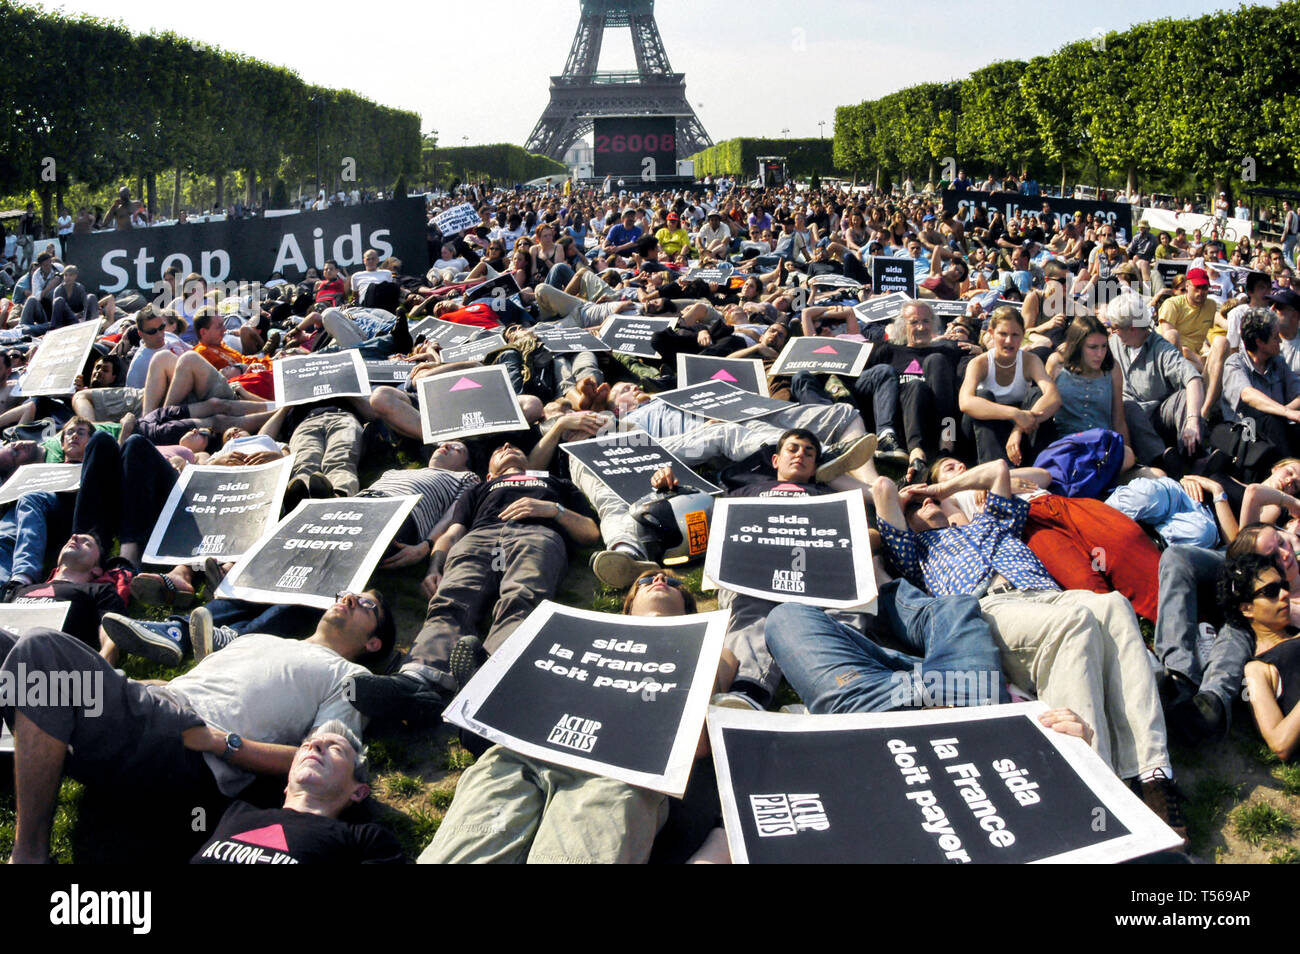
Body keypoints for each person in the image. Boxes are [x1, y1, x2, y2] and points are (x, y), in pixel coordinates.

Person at [1, 589, 395, 863]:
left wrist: (225, 743)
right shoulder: (255, 640)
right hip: (150, 709)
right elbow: (180, 687)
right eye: (348, 593)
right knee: (13, 649)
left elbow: (320, 757)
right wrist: (113, 681)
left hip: (185, 743)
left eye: (365, 605)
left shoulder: (350, 676)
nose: (347, 600)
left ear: (373, 642)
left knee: (40, 649)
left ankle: (30, 854)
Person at [419, 571, 701, 864]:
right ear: (628, 605)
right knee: (464, 850)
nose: (659, 579)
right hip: (519, 754)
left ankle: (475, 727)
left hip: (618, 770)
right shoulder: (574, 634)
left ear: (689, 606)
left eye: (673, 583)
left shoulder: (711, 651)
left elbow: (701, 745)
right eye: (644, 581)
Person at [350, 441, 600, 725]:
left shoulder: (557, 482)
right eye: (497, 450)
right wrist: (434, 566)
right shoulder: (477, 489)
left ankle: (496, 679)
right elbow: (453, 532)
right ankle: (416, 680)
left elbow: (590, 533)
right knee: (450, 600)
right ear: (490, 475)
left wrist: (553, 509)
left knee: (521, 599)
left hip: (536, 533)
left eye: (512, 446)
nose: (506, 445)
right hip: (479, 538)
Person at [192, 720, 404, 864]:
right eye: (305, 746)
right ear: (287, 780)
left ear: (358, 792)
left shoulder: (365, 840)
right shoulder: (228, 812)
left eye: (336, 749)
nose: (316, 745)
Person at [958, 307, 1060, 465]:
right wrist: (1014, 413)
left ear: (1023, 336)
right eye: (1003, 334)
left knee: (1037, 394)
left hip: (1018, 430)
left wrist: (1018, 427)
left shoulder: (1030, 361)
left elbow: (1053, 396)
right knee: (982, 396)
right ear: (991, 334)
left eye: (1015, 335)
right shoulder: (980, 363)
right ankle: (993, 473)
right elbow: (966, 403)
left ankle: (1041, 466)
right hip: (983, 432)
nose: (1009, 341)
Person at [1227, 553, 1300, 759]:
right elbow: (1279, 742)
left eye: (1284, 586)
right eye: (1271, 591)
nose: (1285, 594)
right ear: (1247, 609)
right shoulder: (1257, 669)